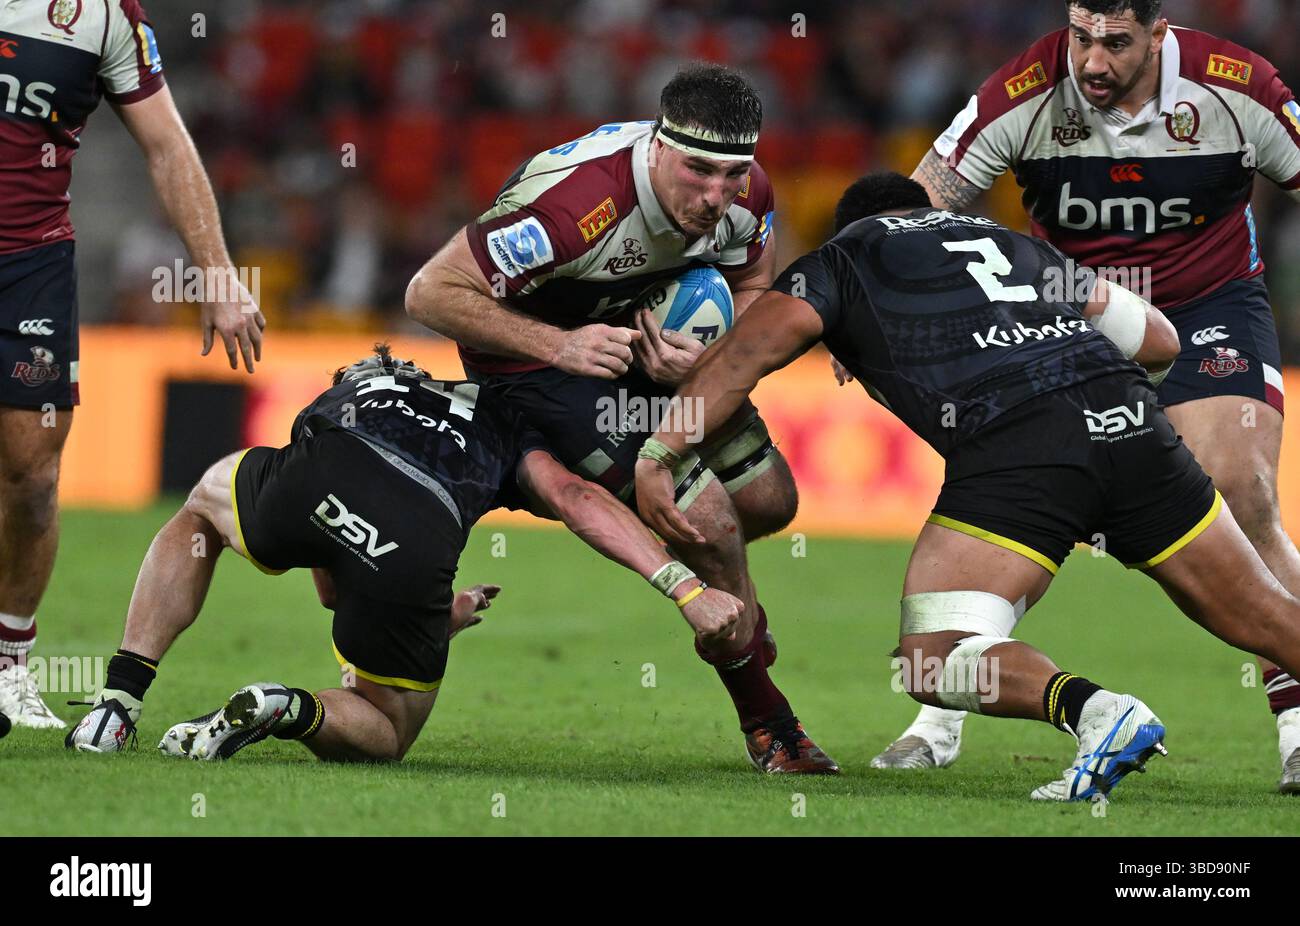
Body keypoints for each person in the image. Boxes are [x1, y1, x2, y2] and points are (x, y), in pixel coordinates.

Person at [637, 173, 1300, 801]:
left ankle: (1100, 714)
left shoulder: (842, 258)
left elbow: (745, 357)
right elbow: (1158, 339)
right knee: (1271, 616)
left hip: (1020, 440)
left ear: (853, 225)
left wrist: (664, 449)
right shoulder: (1011, 244)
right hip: (1132, 421)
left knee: (930, 660)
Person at [876, 0, 1300, 792]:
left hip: (1209, 311)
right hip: (1073, 317)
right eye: (1080, 37)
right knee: (1026, 501)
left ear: (1159, 33)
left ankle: (1299, 725)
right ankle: (942, 709)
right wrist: (868, 293)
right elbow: (922, 201)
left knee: (1240, 492)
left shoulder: (1239, 87)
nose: (1091, 61)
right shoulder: (1024, 92)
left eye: (1115, 41)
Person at [405, 64, 837, 773]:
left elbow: (757, 283)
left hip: (644, 345)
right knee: (713, 524)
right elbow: (429, 293)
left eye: (732, 175)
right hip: (542, 367)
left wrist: (707, 358)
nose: (715, 195)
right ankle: (770, 722)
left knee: (769, 501)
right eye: (698, 170)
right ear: (659, 148)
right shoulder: (575, 208)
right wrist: (558, 344)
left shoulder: (745, 194)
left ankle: (732, 609)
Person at [66, 345, 742, 761]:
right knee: (385, 729)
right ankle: (286, 707)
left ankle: (116, 707)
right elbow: (574, 497)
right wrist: (685, 589)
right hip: (419, 532)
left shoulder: (349, 390)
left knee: (200, 513)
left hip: (322, 476)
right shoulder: (506, 421)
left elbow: (333, 581)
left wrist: (420, 606)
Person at [0, 1, 266, 727]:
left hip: (30, 266)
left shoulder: (105, 16)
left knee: (33, 476)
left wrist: (215, 273)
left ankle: (7, 667)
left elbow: (168, 145)